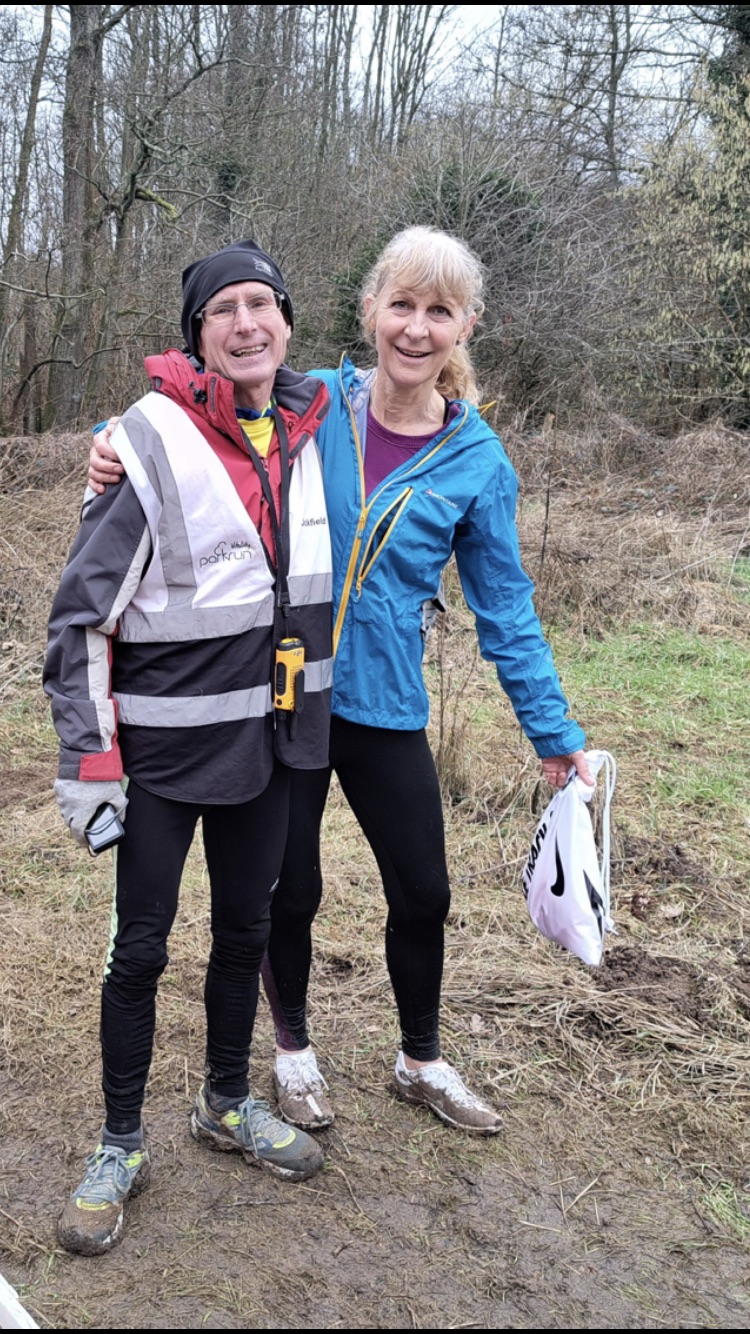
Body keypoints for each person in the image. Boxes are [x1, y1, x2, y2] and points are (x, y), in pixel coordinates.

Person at [88, 226, 591, 1141]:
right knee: (292, 887)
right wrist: (103, 444)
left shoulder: (478, 460)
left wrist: (553, 737)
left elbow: (506, 609)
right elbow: (190, 419)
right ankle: (291, 1053)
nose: (416, 328)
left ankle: (420, 1059)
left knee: (425, 890)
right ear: (370, 312)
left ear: (465, 326)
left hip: (386, 700)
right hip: (288, 695)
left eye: (438, 311)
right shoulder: (312, 397)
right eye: (401, 304)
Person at [45, 239, 334, 1256]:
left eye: (264, 303)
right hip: (163, 760)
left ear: (289, 322)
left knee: (246, 932)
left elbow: (414, 405)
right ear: (199, 335)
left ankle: (222, 1099)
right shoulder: (149, 439)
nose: (248, 322)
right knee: (142, 948)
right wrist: (88, 758)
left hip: (271, 746)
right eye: (226, 310)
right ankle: (120, 1139)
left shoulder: (313, 421)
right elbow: (79, 620)